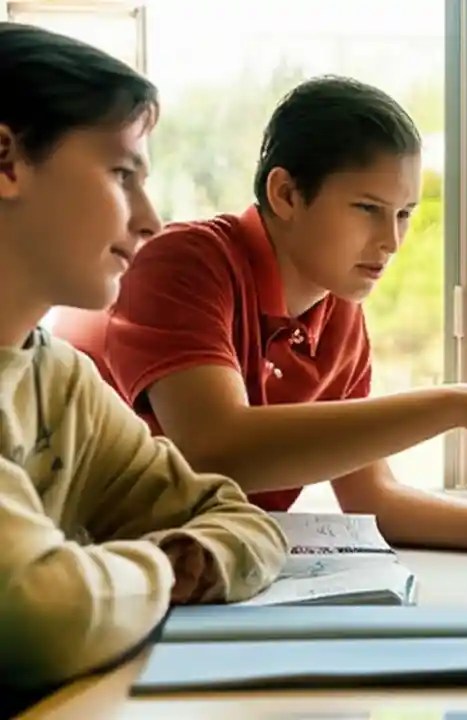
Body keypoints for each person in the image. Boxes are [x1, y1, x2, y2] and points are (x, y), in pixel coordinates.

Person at [53, 76, 467, 552]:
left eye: (405, 213)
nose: (390, 241)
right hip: (77, 562)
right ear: (285, 194)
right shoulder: (183, 261)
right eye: (367, 208)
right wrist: (461, 402)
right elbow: (215, 450)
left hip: (190, 566)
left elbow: (375, 498)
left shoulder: (339, 319)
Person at [0, 24, 286, 690]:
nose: (152, 218)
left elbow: (236, 517)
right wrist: (161, 569)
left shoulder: (61, 378)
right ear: (6, 159)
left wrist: (187, 555)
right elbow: (45, 614)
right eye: (122, 173)